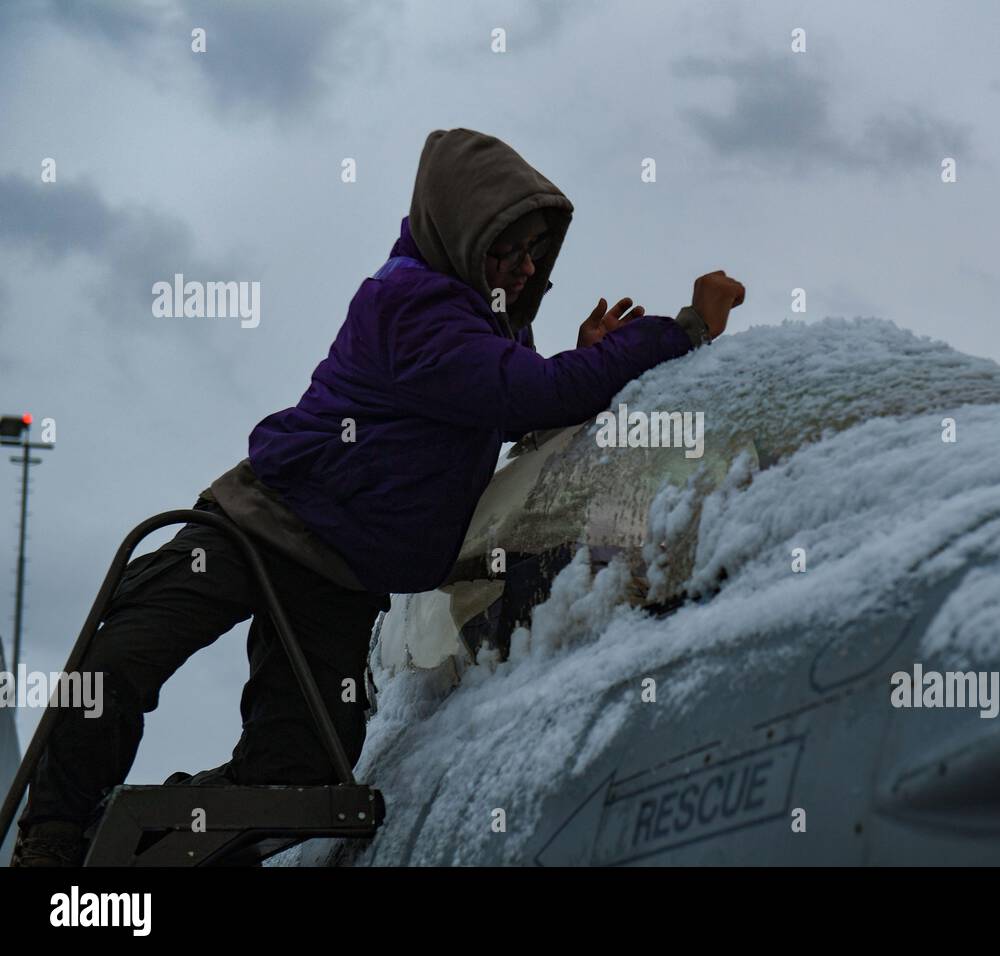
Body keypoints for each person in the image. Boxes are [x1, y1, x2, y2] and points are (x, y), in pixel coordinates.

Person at [9, 127, 744, 866]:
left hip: (341, 577)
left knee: (296, 786)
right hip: (259, 528)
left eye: (533, 252)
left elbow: (512, 397)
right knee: (118, 666)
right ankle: (52, 842)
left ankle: (132, 851)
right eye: (506, 249)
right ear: (461, 234)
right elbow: (524, 395)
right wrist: (681, 330)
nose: (523, 269)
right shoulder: (409, 303)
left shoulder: (485, 326)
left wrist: (582, 362)